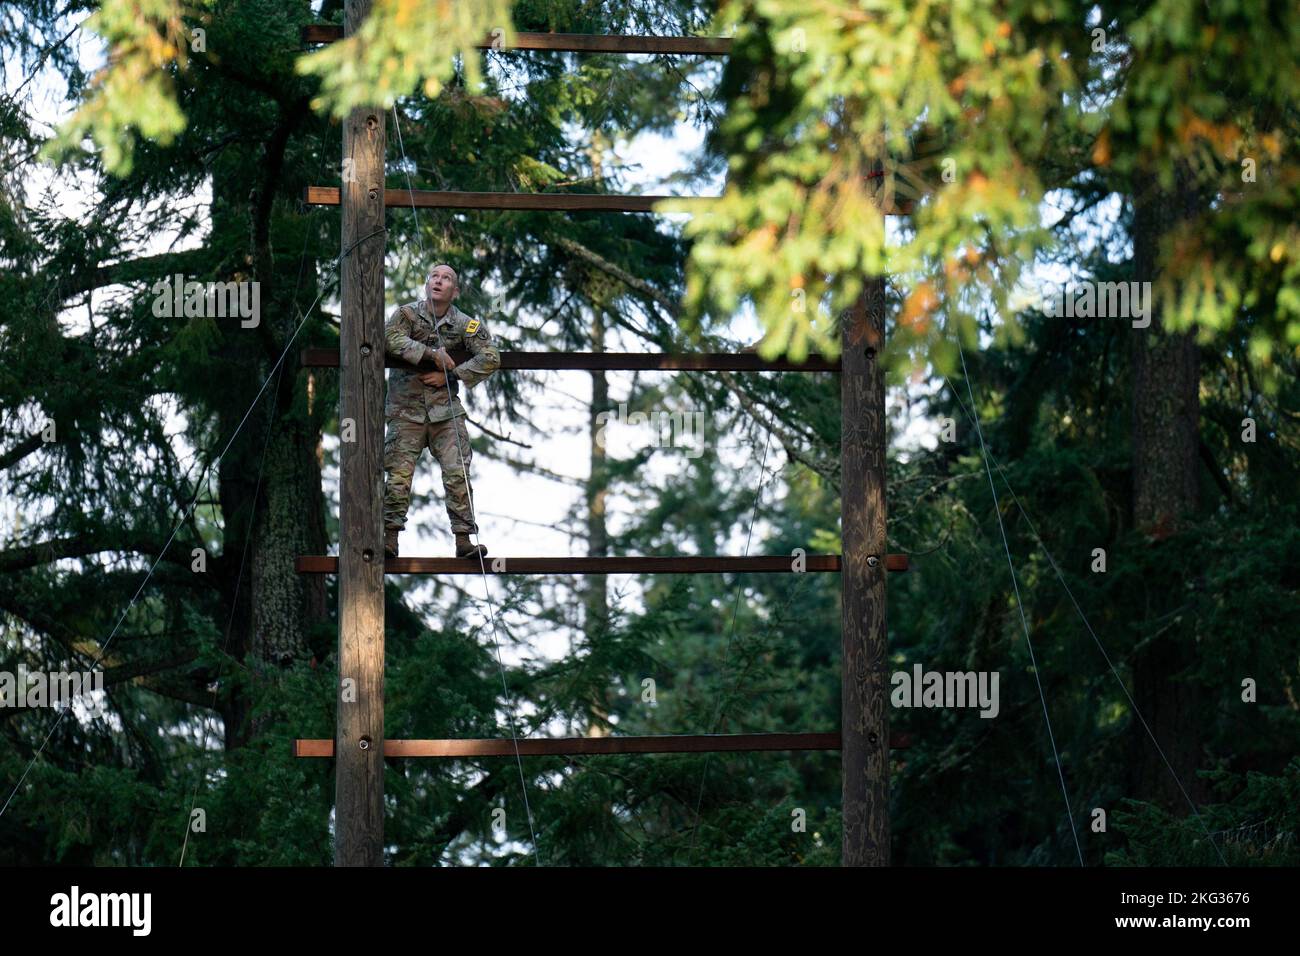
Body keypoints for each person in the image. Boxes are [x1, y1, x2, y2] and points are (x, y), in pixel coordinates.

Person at [382, 263, 499, 559]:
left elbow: (490, 356)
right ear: (426, 284)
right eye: (434, 276)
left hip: (445, 413)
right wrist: (433, 356)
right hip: (405, 412)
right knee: (398, 476)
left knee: (457, 473)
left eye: (446, 278)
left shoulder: (463, 324)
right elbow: (390, 339)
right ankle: (389, 539)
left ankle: (464, 541)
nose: (438, 281)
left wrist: (452, 375)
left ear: (454, 291)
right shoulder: (407, 314)